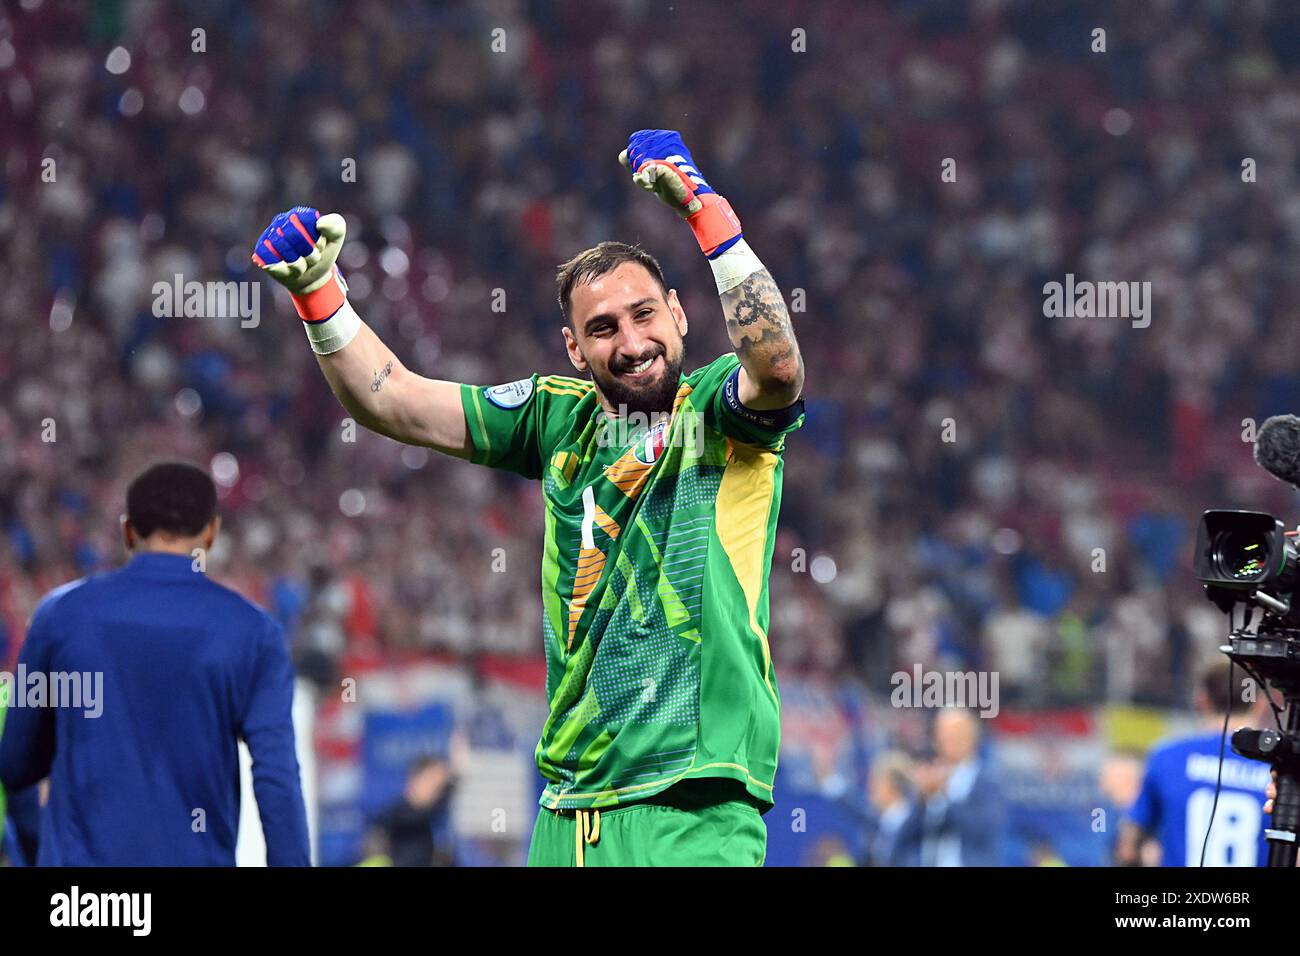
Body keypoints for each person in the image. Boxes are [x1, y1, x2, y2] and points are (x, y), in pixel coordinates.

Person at [252, 129, 806, 866]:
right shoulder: (555, 416)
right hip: (566, 814)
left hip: (692, 805)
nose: (631, 341)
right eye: (603, 328)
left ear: (679, 313)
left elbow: (776, 365)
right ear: (576, 350)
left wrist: (710, 217)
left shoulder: (719, 411)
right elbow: (397, 403)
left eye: (645, 314)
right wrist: (320, 296)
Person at [0, 462, 310, 866]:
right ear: (211, 533)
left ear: (128, 531)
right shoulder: (254, 632)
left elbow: (16, 763)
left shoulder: (58, 616)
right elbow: (276, 777)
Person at [1116, 658, 1274, 867]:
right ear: (1260, 704)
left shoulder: (1167, 757)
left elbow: (1128, 848)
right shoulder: (1279, 768)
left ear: (1202, 700)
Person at [912, 708, 1006, 866]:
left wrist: (944, 795)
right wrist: (921, 798)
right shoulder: (930, 776)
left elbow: (982, 829)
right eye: (943, 734)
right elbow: (909, 833)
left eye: (956, 734)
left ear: (972, 738)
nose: (948, 741)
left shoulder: (989, 782)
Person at [375, 755, 457, 867]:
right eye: (433, 781)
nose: (437, 790)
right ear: (416, 780)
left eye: (440, 786)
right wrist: (455, 780)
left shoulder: (431, 818)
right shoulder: (399, 813)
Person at [861, 750, 922, 866]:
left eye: (876, 781)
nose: (870, 788)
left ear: (893, 784)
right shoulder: (878, 825)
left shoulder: (914, 824)